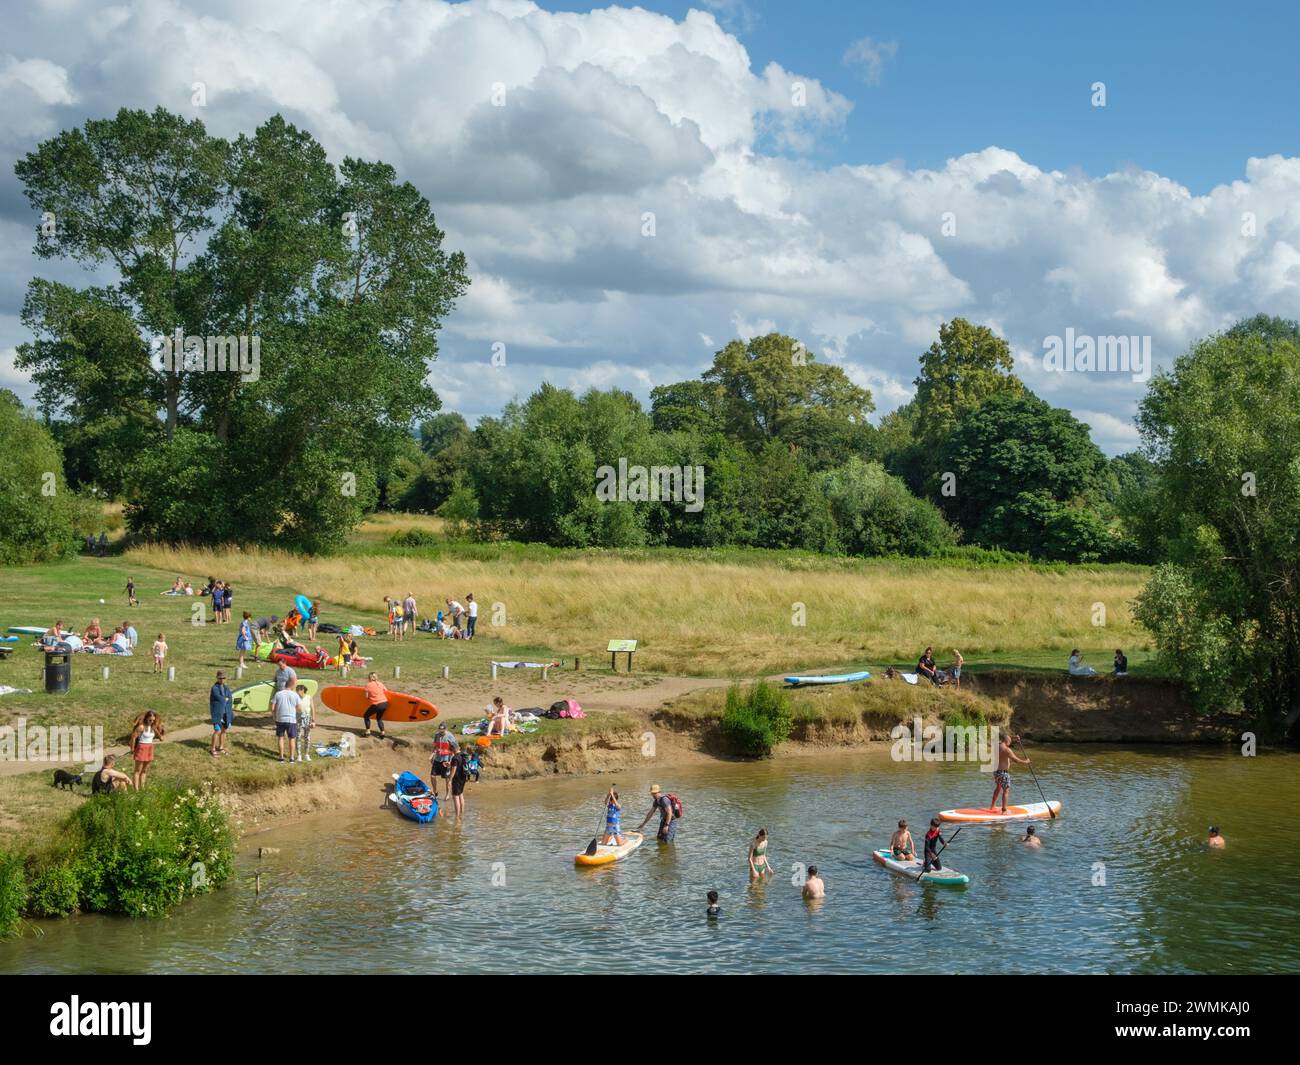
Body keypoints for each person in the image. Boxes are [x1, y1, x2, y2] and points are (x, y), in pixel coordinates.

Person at [991, 732, 1031, 813]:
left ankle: (992, 806)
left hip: (996, 771)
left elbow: (1007, 737)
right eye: (1010, 742)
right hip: (1003, 773)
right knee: (1006, 791)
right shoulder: (1007, 750)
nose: (1010, 744)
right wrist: (1026, 761)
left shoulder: (997, 745)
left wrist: (1014, 737)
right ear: (1007, 741)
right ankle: (1004, 810)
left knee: (998, 788)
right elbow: (1016, 760)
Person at [129, 710, 164, 790]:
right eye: (150, 720)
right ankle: (136, 790)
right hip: (142, 748)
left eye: (153, 720)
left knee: (144, 770)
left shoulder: (153, 727)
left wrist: (160, 736)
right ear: (146, 718)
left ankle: (143, 788)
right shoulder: (141, 727)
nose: (151, 722)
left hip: (149, 748)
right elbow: (133, 737)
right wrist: (132, 748)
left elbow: (160, 736)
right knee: (138, 770)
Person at [272, 683, 300, 762]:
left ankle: (281, 758)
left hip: (280, 719)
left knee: (281, 738)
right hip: (291, 720)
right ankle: (291, 758)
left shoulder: (278, 694)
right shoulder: (295, 695)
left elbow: (273, 708)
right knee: (292, 739)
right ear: (291, 685)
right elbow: (299, 708)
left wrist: (274, 719)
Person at [431, 722, 459, 797]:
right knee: (432, 776)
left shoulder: (450, 736)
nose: (441, 731)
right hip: (437, 759)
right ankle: (435, 791)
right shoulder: (437, 735)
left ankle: (447, 794)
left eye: (442, 730)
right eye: (440, 730)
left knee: (447, 778)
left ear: (446, 729)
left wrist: (451, 760)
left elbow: (455, 748)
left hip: (446, 760)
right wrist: (432, 756)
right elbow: (434, 746)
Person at [210, 670, 233, 756]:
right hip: (217, 713)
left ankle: (221, 747)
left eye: (223, 678)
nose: (222, 680)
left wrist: (226, 699)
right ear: (217, 678)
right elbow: (220, 699)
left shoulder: (226, 688)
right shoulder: (214, 688)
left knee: (224, 730)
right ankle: (212, 749)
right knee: (217, 731)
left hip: (225, 713)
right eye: (220, 678)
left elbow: (230, 698)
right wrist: (225, 699)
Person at [363, 672, 389, 738]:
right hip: (385, 703)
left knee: (366, 716)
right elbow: (386, 691)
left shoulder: (368, 685)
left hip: (377, 704)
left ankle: (368, 731)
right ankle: (382, 733)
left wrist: (371, 697)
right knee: (379, 718)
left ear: (369, 678)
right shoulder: (380, 683)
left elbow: (366, 697)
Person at [448, 744, 471, 815]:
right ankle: (461, 813)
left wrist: (450, 780)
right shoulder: (463, 755)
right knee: (461, 794)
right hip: (463, 777)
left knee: (455, 797)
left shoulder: (455, 758)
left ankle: (457, 816)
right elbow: (459, 765)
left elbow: (454, 769)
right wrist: (449, 765)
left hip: (456, 779)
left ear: (452, 750)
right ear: (459, 748)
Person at [295, 684, 315, 762]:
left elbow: (313, 709)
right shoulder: (296, 698)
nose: (297, 692)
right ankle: (299, 755)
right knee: (298, 737)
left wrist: (313, 720)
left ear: (303, 690)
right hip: (298, 718)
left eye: (298, 690)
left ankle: (306, 754)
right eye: (296, 690)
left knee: (307, 737)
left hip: (307, 718)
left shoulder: (309, 697)